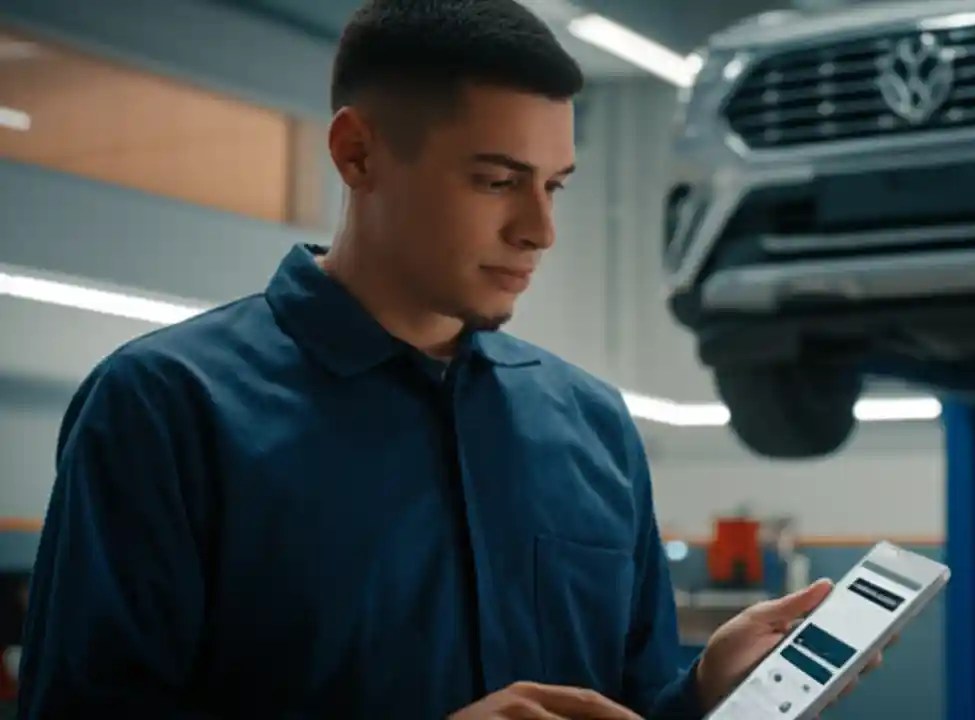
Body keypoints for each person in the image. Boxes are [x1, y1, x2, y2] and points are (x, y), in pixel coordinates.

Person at [17, 1, 886, 717]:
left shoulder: (590, 424)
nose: (539, 231)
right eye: (498, 181)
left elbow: (621, 701)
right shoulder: (167, 406)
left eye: (555, 186)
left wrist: (699, 693)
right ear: (358, 153)